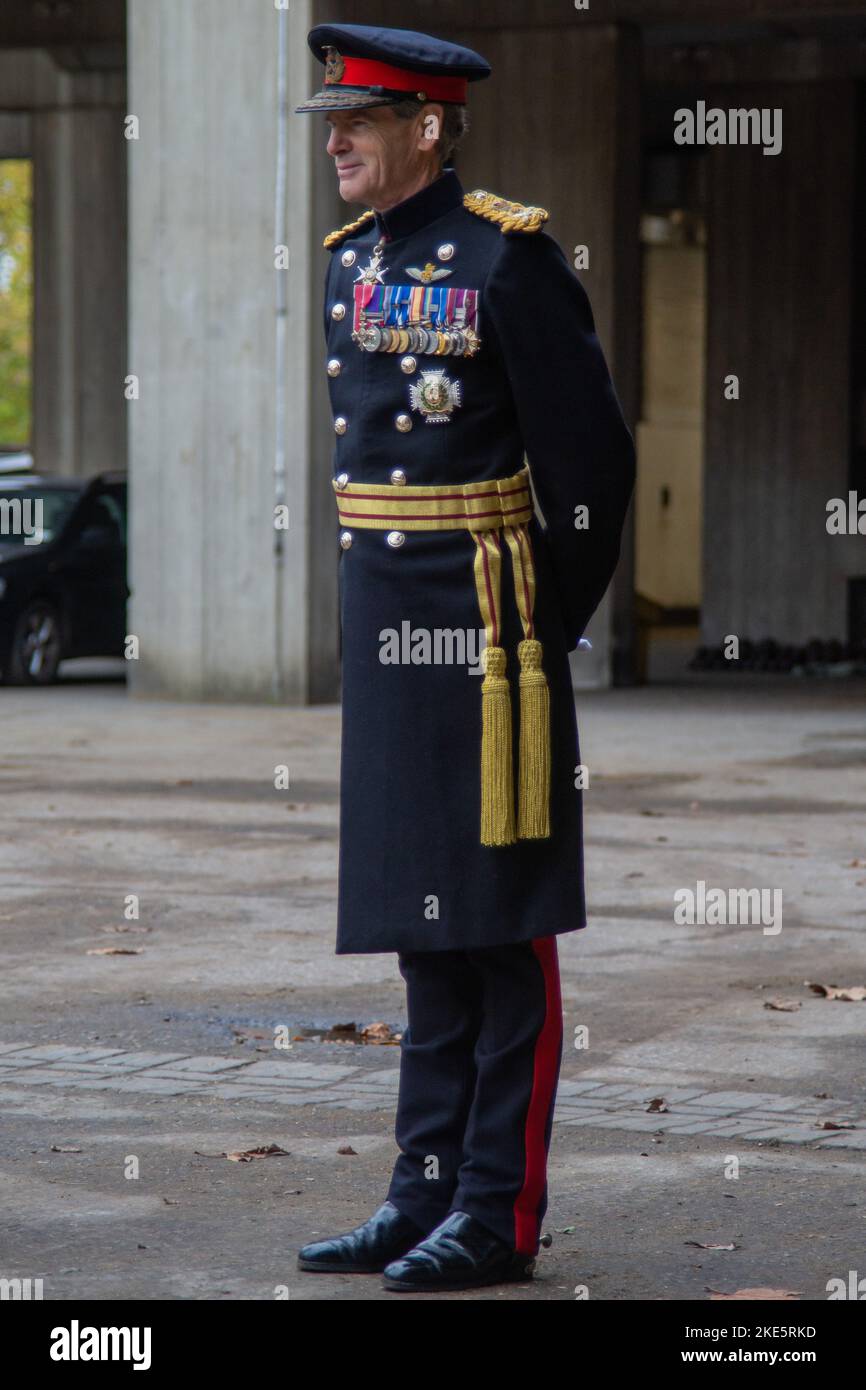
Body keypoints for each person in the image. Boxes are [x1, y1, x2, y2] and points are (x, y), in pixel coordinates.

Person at [294, 21, 635, 1293]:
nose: (334, 139)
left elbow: (591, 469)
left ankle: (497, 1212)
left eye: (358, 120)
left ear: (426, 129)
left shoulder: (510, 257)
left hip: (491, 639)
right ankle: (420, 1190)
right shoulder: (346, 265)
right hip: (388, 634)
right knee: (423, 936)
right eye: (331, 120)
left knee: (502, 929)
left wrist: (537, 631)